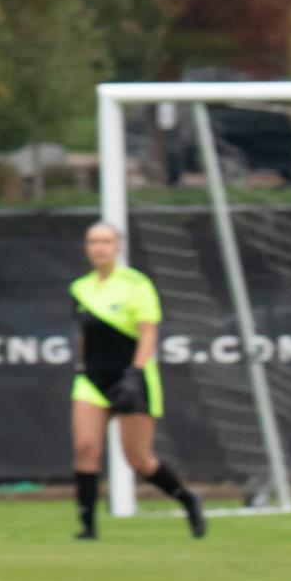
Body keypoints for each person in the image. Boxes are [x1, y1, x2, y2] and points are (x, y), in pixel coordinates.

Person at [71, 222, 204, 540]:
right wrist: (80, 366)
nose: (99, 247)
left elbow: (148, 333)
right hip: (92, 379)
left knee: (139, 460)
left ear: (118, 246)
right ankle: (88, 526)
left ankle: (187, 500)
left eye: (106, 241)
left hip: (131, 377)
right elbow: (83, 334)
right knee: (85, 446)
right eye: (93, 241)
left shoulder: (136, 285)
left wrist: (136, 373)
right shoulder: (80, 288)